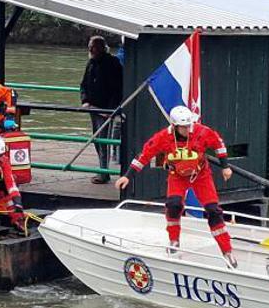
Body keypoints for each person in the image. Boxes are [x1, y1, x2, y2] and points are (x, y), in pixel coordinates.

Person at [114, 106, 237, 268]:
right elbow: (144, 155)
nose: (188, 129)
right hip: (177, 176)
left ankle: (227, 251)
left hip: (201, 175)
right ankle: (174, 240)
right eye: (184, 127)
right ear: (174, 126)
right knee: (173, 204)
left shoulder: (202, 132)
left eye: (189, 125)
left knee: (213, 210)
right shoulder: (163, 137)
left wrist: (225, 166)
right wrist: (127, 176)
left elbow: (219, 144)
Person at [80, 35, 123, 184]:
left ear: (102, 48)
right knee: (97, 140)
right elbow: (83, 84)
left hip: (106, 109)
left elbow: (117, 89)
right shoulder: (91, 63)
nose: (92, 49)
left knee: (103, 140)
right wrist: (85, 100)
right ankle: (102, 169)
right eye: (90, 46)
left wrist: (110, 110)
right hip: (92, 107)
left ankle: (103, 172)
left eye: (95, 46)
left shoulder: (112, 63)